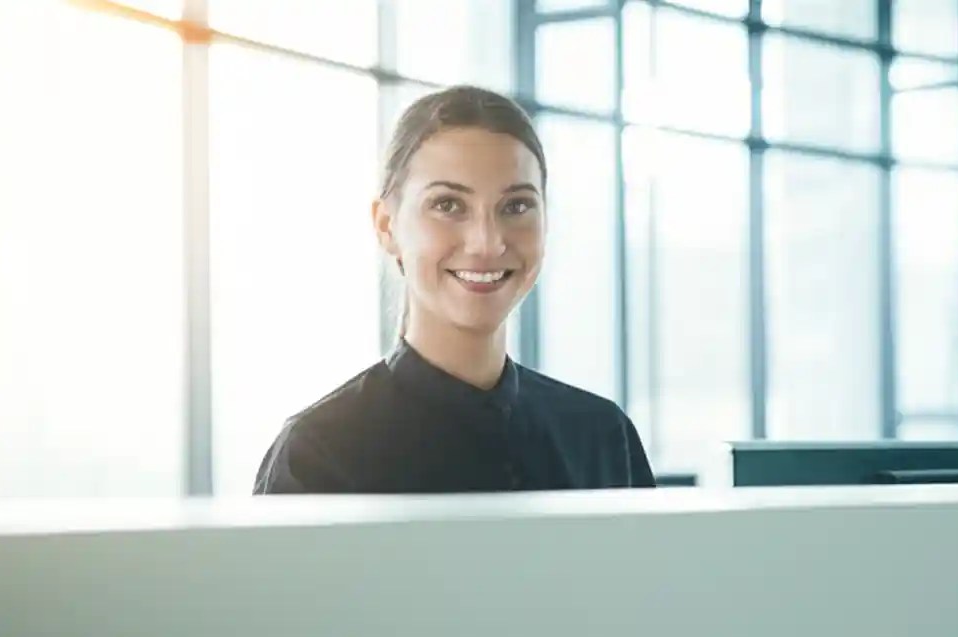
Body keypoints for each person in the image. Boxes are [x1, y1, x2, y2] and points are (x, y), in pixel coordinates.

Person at [254, 86, 656, 494]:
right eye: (448, 205)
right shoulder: (316, 455)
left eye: (516, 206)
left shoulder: (602, 440)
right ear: (387, 226)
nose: (487, 243)